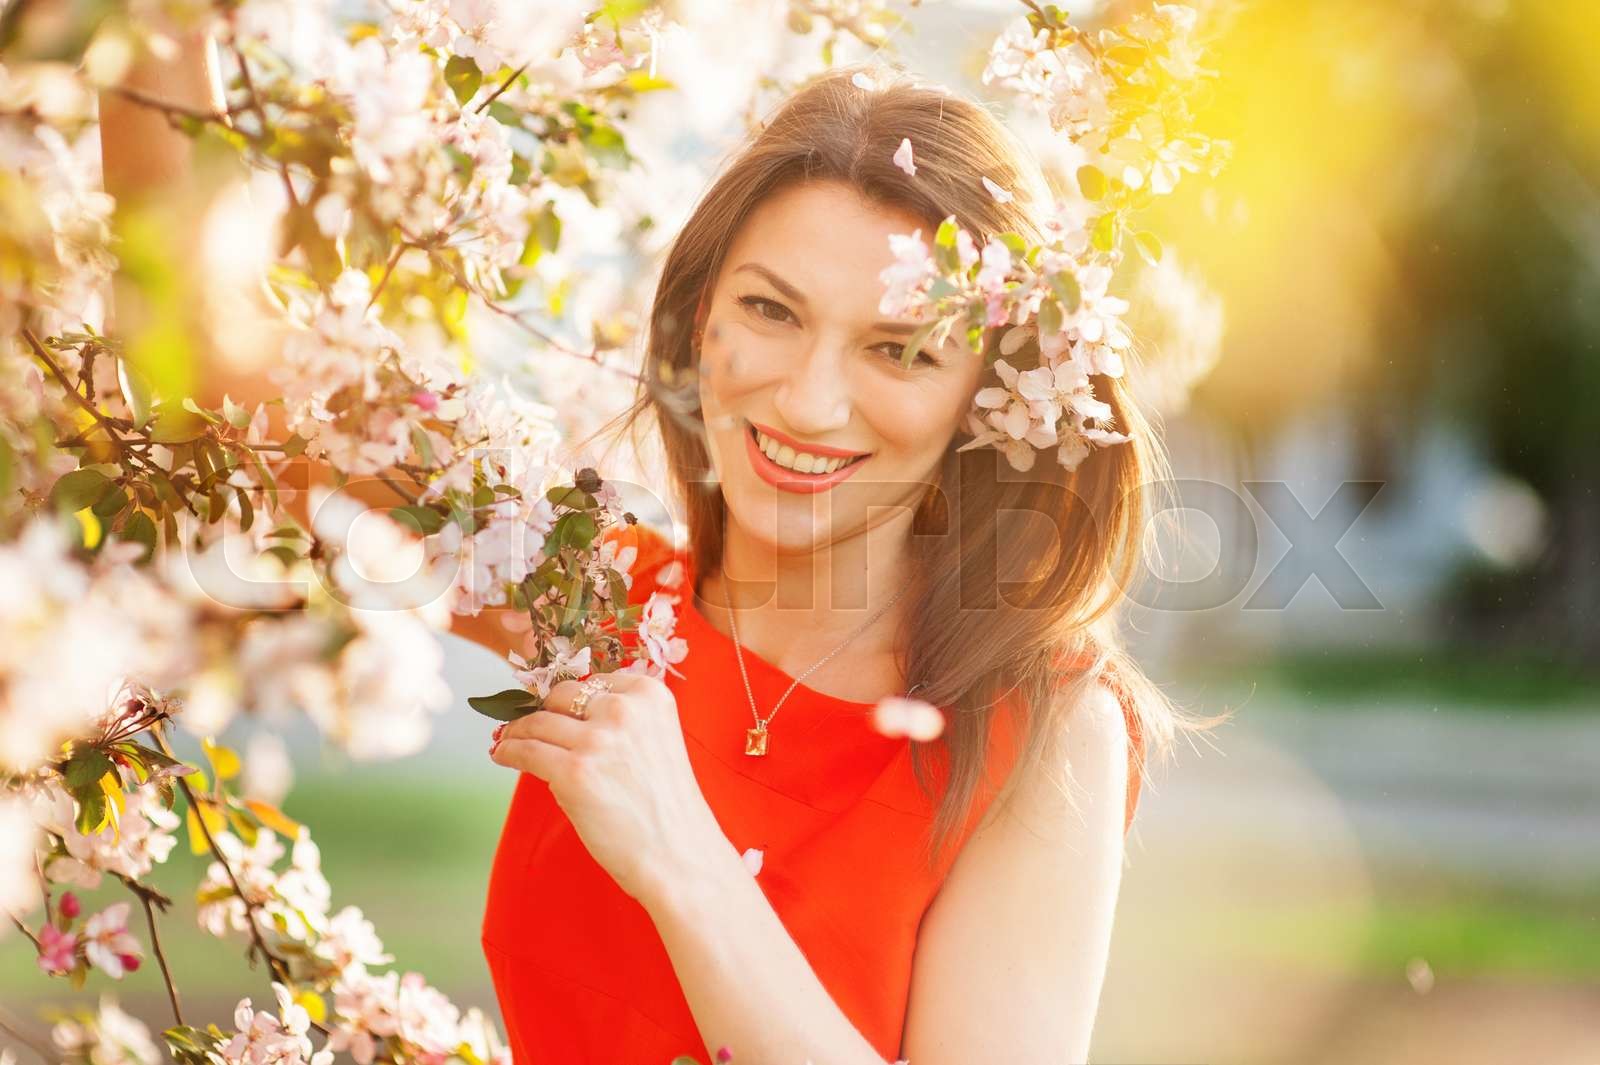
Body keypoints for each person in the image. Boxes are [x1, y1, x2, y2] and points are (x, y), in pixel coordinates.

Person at [100, 36, 1219, 1065]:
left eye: (900, 350)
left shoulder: (1042, 728)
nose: (808, 399)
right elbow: (211, 351)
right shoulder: (596, 600)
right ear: (697, 320)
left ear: (984, 398)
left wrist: (682, 856)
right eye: (771, 312)